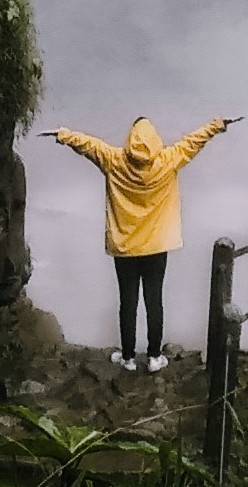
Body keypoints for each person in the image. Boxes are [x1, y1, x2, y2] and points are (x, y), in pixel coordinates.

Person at [47, 108, 235, 369]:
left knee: (128, 302)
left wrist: (63, 135)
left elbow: (87, 145)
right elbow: (194, 140)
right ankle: (155, 357)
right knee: (154, 300)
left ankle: (127, 357)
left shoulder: (113, 160)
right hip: (157, 247)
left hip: (125, 247)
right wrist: (217, 124)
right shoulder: (169, 160)